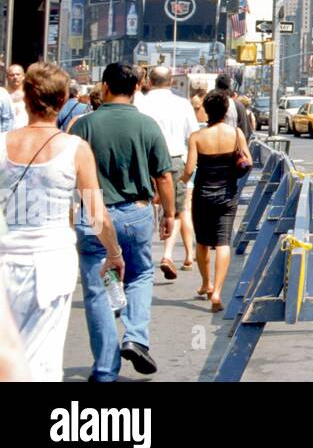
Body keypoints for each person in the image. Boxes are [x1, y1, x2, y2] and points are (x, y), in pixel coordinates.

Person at [1, 63, 124, 381]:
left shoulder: (1, 144)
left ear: (25, 99)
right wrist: (114, 253)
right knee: (42, 357)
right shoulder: (74, 149)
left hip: (5, 257)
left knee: (7, 354)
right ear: (63, 101)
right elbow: (96, 213)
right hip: (52, 259)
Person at [70, 62, 175, 381]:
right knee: (141, 274)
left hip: (94, 214)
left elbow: (70, 174)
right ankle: (135, 337)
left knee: (98, 288)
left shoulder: (83, 125)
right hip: (136, 212)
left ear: (105, 86)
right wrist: (169, 214)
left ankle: (104, 369)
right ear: (135, 89)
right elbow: (164, 177)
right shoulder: (147, 125)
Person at [183, 92, 250, 313]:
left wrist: (179, 181)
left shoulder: (197, 137)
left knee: (202, 242)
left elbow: (190, 169)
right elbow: (247, 160)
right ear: (226, 110)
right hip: (227, 194)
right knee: (222, 242)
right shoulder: (236, 133)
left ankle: (206, 283)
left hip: (203, 194)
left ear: (206, 110)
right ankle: (219, 293)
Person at [134, 66, 200, 280]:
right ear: (171, 82)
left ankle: (139, 252)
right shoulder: (182, 104)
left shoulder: (140, 102)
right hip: (173, 159)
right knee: (177, 209)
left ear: (149, 82)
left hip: (144, 159)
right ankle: (168, 254)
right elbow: (193, 136)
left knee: (142, 204)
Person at [7, 63, 28, 130]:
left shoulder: (30, 94)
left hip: (25, 132)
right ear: (7, 77)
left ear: (23, 76)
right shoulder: (2, 94)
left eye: (18, 74)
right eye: (12, 75)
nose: (15, 77)